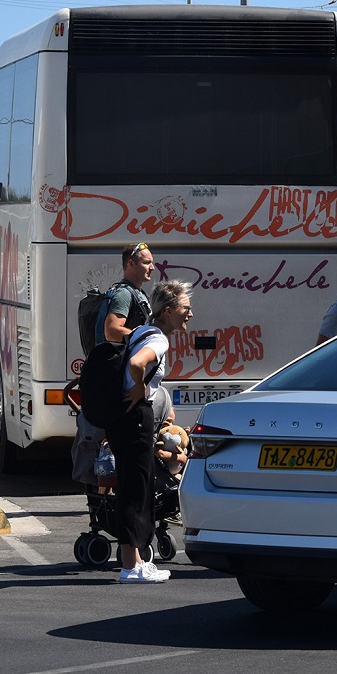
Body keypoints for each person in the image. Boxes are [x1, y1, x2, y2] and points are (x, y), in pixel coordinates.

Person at [110, 279, 194, 584]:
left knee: (133, 487)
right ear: (169, 311)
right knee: (136, 490)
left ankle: (135, 560)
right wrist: (142, 388)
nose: (190, 314)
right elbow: (136, 363)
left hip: (123, 418)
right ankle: (130, 567)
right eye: (186, 308)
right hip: (136, 417)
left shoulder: (143, 331)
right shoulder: (159, 340)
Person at [101, 242, 155, 347]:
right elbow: (112, 331)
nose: (152, 268)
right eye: (147, 263)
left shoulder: (138, 293)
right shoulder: (124, 294)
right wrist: (147, 338)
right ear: (131, 263)